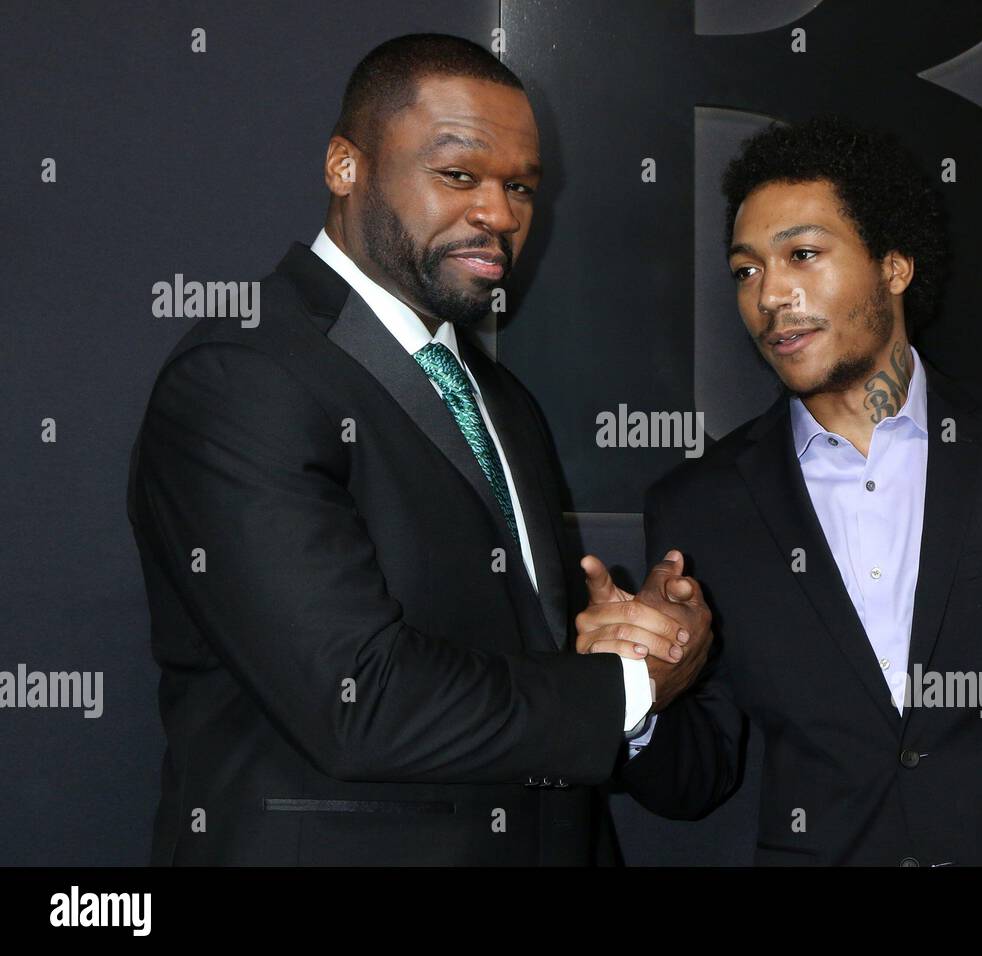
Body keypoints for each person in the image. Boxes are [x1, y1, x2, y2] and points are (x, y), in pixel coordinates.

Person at [127, 33, 710, 866]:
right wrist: (626, 686)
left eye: (520, 186)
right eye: (458, 174)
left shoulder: (498, 398)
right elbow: (356, 701)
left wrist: (621, 646)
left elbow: (508, 668)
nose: (499, 214)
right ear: (344, 166)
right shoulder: (243, 373)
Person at [616, 116, 982, 866]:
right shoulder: (700, 504)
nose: (771, 295)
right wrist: (639, 694)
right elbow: (695, 779)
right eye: (746, 270)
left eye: (803, 254)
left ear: (894, 267)